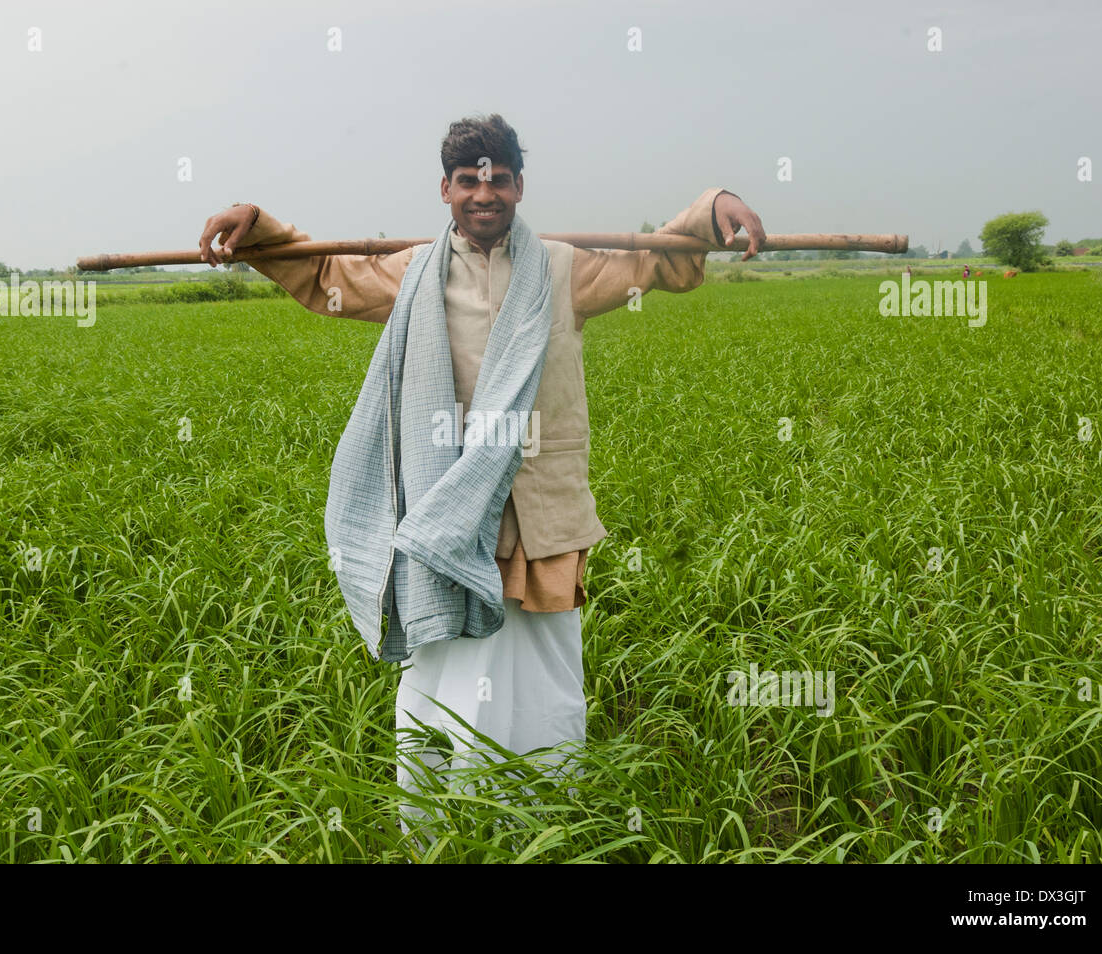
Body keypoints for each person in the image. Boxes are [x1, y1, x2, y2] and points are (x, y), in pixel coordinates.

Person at [196, 113, 765, 842]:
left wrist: (713, 207)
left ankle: (544, 824)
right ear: (446, 189)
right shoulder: (411, 274)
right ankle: (445, 830)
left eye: (497, 177)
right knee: (445, 680)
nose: (484, 191)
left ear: (519, 186)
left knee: (546, 679)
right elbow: (322, 274)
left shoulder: (564, 268)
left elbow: (652, 257)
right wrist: (259, 228)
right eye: (468, 179)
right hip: (447, 517)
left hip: (539, 513)